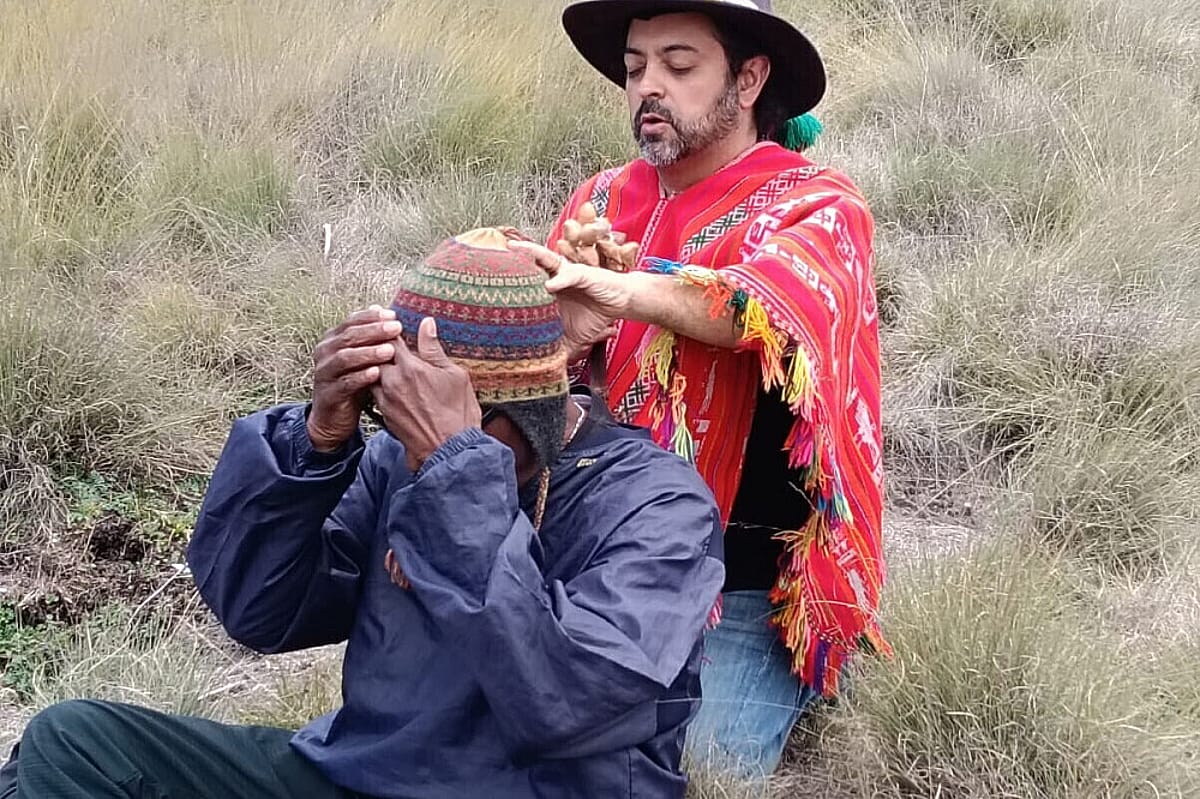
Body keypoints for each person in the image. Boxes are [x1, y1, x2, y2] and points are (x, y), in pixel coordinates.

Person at [0, 228, 725, 798]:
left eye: (433, 416)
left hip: (533, 789)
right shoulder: (399, 458)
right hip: (366, 774)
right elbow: (261, 612)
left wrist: (455, 465)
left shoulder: (657, 503)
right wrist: (316, 443)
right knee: (71, 744)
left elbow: (564, 698)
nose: (409, 445)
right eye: (395, 415)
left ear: (528, 413)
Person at [510, 0, 891, 780]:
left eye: (679, 66)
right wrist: (557, 329)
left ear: (749, 78)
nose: (650, 86)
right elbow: (543, 367)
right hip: (596, 544)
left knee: (681, 774)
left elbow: (757, 306)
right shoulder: (602, 202)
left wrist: (621, 291)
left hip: (742, 578)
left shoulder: (817, 206)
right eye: (635, 67)